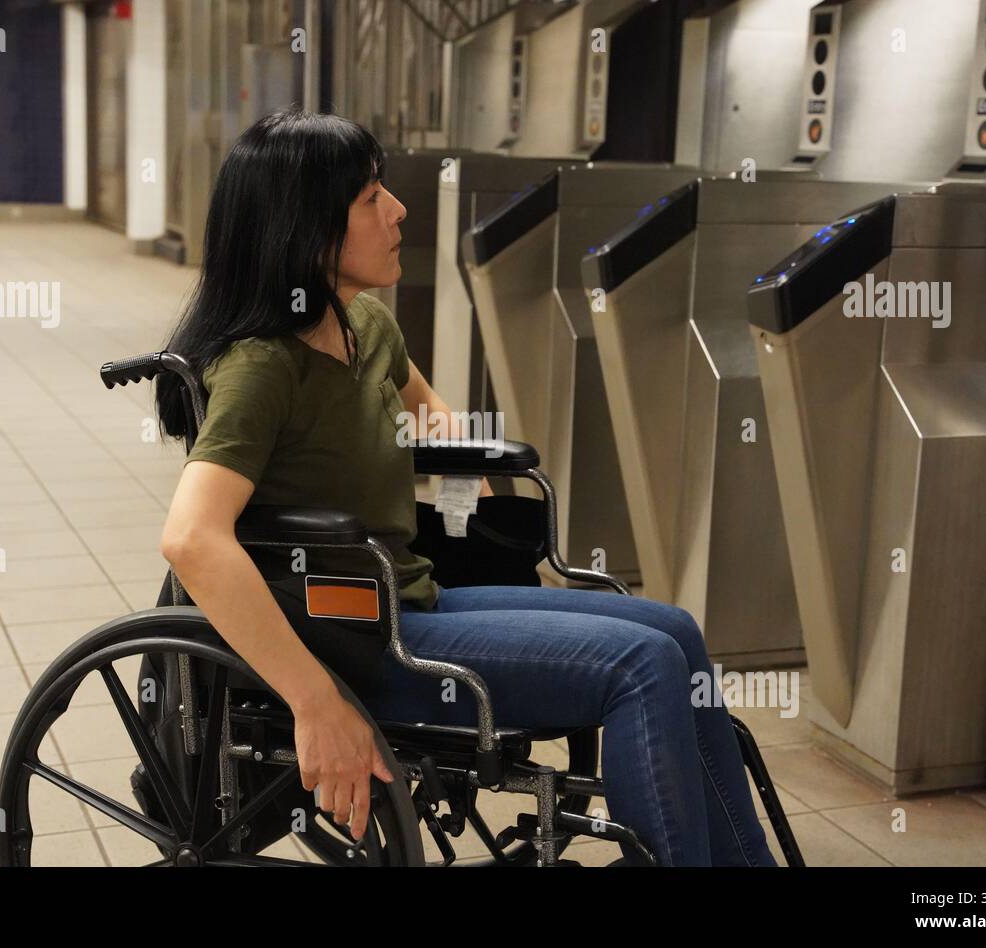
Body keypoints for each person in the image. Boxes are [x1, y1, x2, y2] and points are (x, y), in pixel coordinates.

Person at [158, 108, 776, 866]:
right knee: (640, 666)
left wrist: (466, 490)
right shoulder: (263, 367)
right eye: (370, 198)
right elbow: (192, 538)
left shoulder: (366, 327)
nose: (398, 210)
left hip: (409, 598)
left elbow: (440, 426)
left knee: (674, 629)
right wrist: (315, 704)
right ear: (305, 229)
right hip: (357, 643)